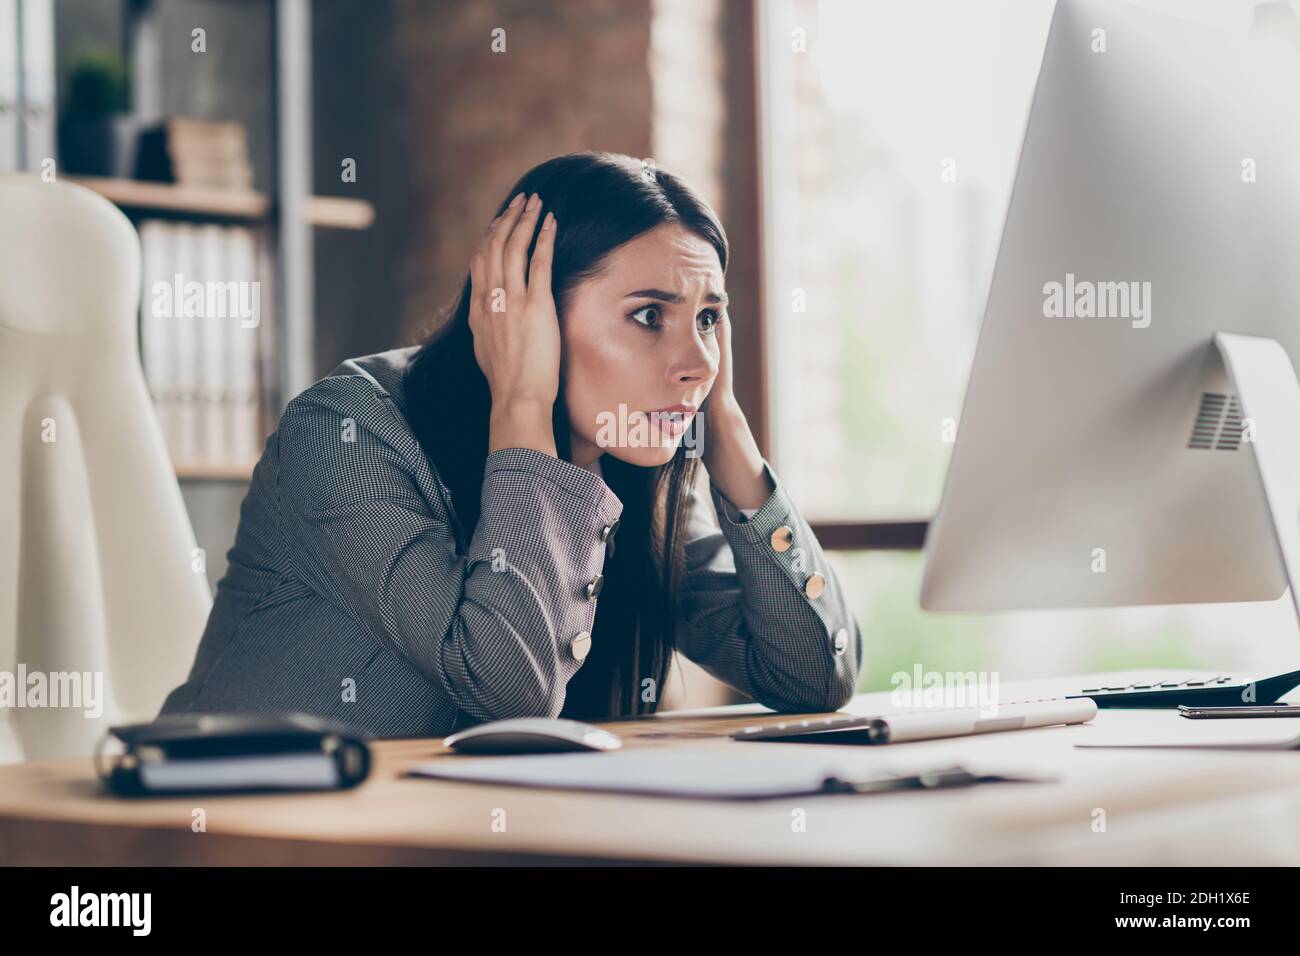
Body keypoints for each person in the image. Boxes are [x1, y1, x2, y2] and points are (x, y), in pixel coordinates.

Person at [159, 151, 862, 736]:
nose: (697, 360)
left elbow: (814, 676)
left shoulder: (630, 459)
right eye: (650, 315)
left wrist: (728, 428)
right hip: (241, 838)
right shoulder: (347, 434)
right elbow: (509, 691)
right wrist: (524, 402)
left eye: (709, 318)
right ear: (526, 313)